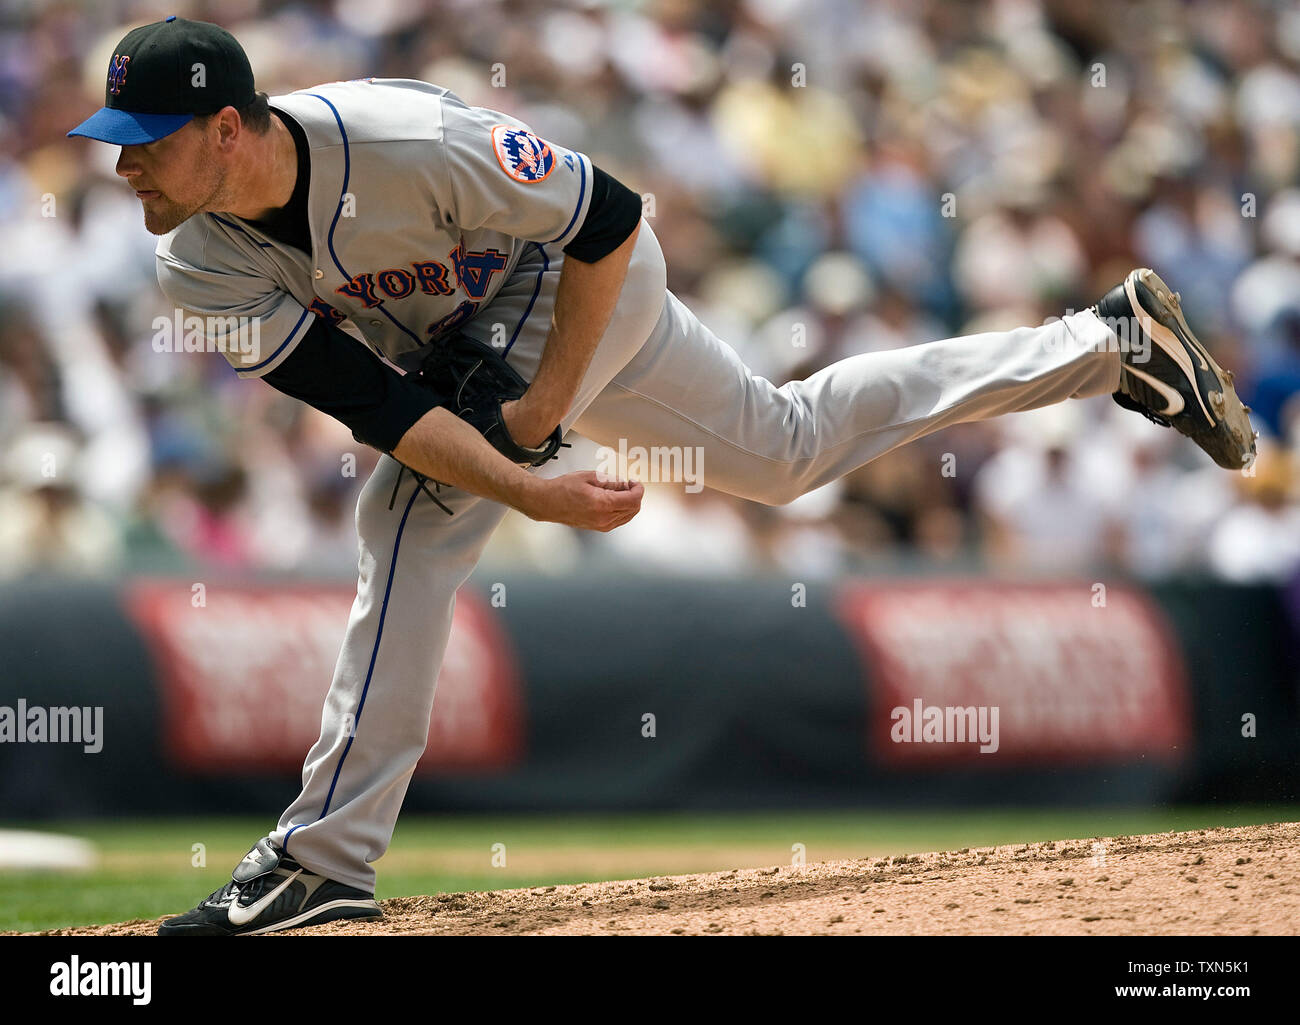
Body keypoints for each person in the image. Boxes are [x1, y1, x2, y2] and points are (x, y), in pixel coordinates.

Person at [68, 17, 1256, 935]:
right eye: (116, 143)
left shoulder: (402, 140)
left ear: (230, 127)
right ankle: (1105, 344)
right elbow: (377, 405)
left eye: (148, 141)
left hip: (580, 285)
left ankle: (322, 860)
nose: (125, 168)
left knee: (408, 517)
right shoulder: (196, 264)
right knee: (782, 450)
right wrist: (528, 482)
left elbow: (610, 220)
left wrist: (539, 413)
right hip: (473, 343)